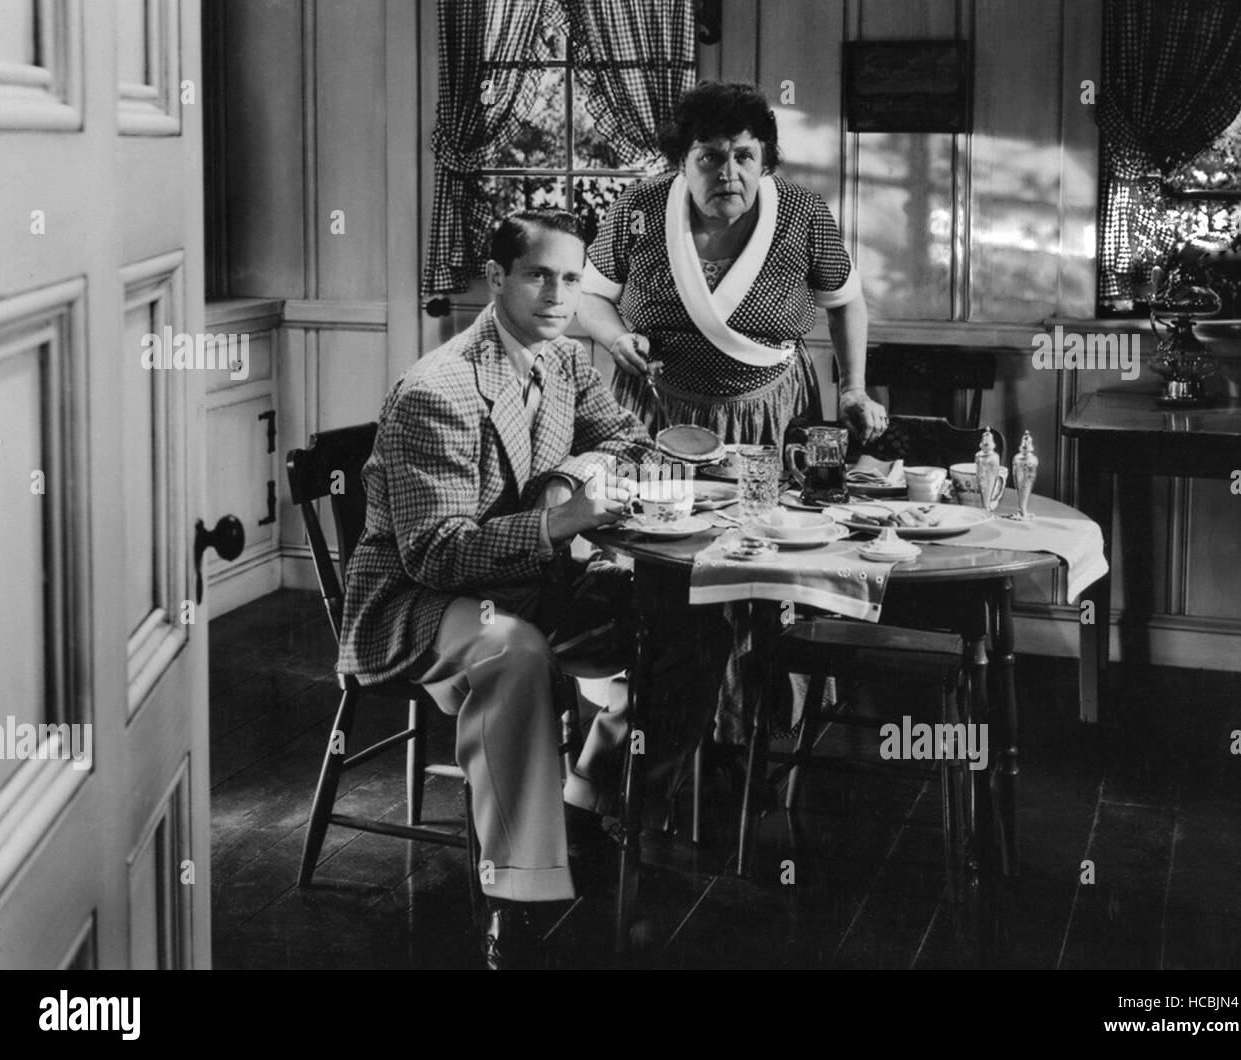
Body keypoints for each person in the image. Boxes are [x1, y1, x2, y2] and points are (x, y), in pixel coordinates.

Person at [336, 210, 658, 969]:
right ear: (497, 278)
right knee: (514, 656)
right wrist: (559, 524)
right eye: (537, 274)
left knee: (663, 622)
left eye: (571, 279)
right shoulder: (438, 389)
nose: (556, 294)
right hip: (416, 603)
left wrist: (568, 479)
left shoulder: (568, 360)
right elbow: (435, 556)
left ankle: (581, 803)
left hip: (525, 580)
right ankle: (517, 902)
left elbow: (627, 440)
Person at [577, 79, 888, 446]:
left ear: (764, 161)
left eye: (743, 156)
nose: (728, 173)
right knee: (655, 502)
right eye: (710, 157)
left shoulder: (801, 211)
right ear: (682, 161)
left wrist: (853, 389)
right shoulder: (640, 205)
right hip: (656, 407)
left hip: (772, 410)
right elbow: (591, 295)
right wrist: (616, 339)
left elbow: (845, 301)